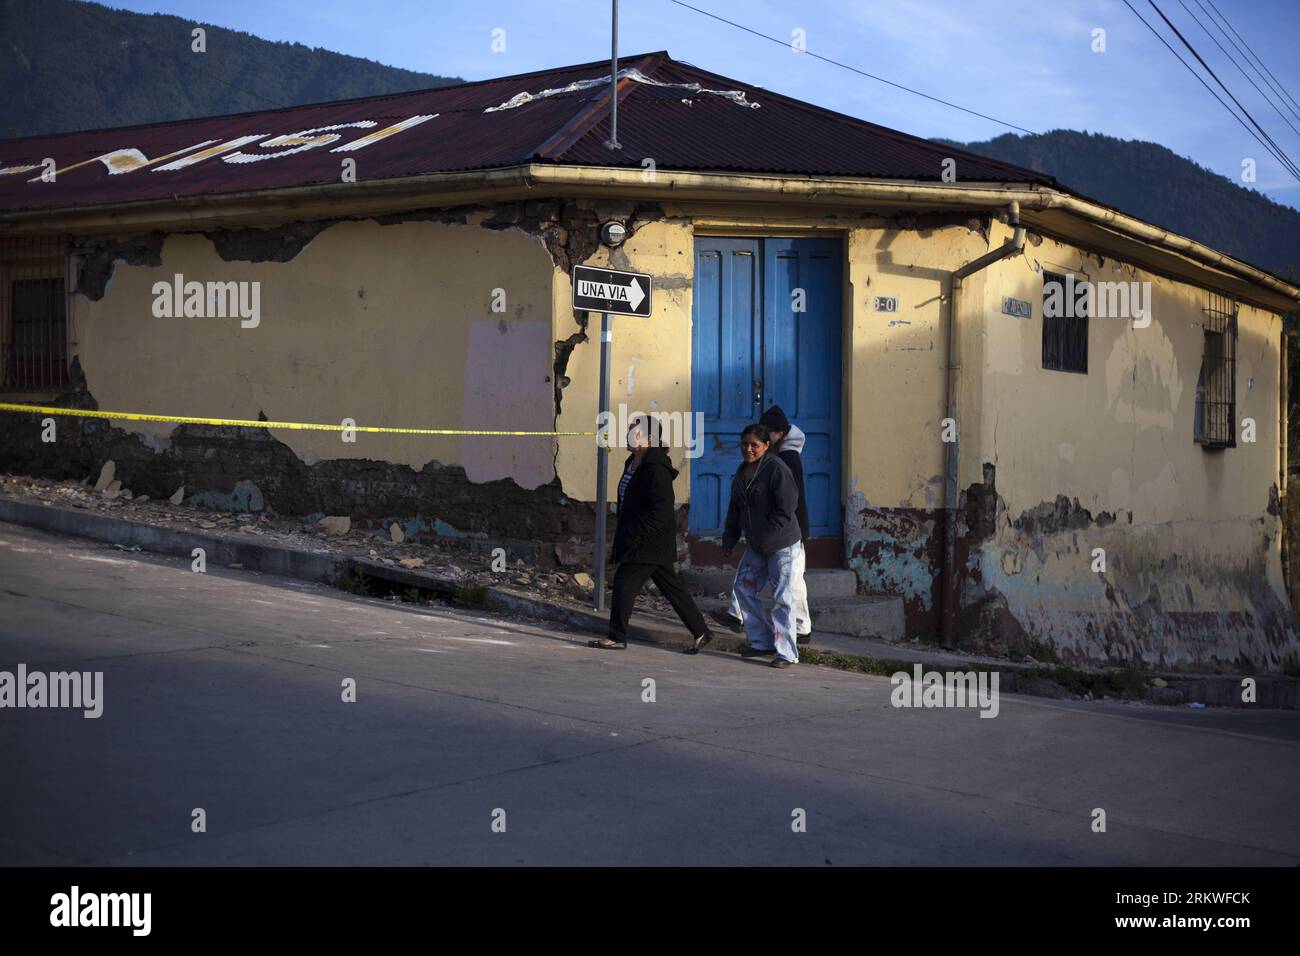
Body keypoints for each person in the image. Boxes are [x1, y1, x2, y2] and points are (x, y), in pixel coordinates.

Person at [589, 415, 714, 654]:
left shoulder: (656, 469)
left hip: (647, 540)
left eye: (635, 433)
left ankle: (616, 637)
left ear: (650, 439)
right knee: (671, 586)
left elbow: (661, 510)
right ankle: (701, 631)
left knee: (624, 583)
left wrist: (635, 533)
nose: (629, 436)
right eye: (629, 430)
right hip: (647, 538)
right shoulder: (633, 461)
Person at [711, 405, 812, 639]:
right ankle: (738, 615)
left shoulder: (786, 459)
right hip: (766, 531)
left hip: (786, 531)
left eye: (767, 434)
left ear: (779, 434)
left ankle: (800, 629)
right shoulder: (767, 458)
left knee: (791, 584)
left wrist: (778, 530)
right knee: (749, 578)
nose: (754, 444)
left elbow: (788, 501)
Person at [721, 423, 804, 668]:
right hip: (757, 544)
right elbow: (735, 508)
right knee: (743, 588)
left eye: (754, 445)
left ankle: (787, 653)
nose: (748, 449)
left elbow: (788, 505)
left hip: (782, 544)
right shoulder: (741, 472)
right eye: (745, 444)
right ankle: (762, 641)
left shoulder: (776, 468)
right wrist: (730, 537)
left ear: (766, 446)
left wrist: (768, 534)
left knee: (782, 597)